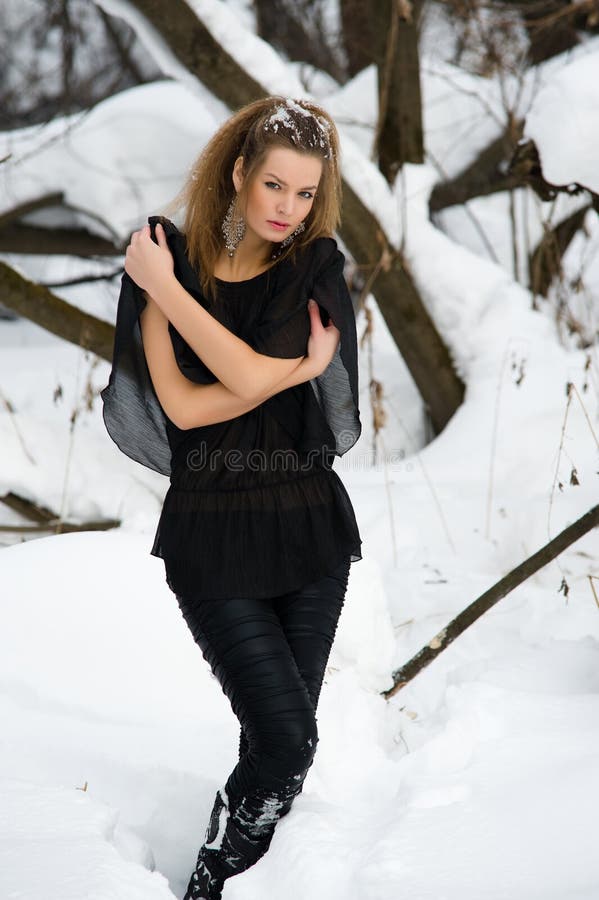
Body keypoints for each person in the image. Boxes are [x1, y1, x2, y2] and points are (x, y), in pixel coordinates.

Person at [100, 96, 363, 899]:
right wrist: (298, 369)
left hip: (309, 530)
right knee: (285, 742)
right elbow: (181, 408)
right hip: (211, 539)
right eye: (275, 185)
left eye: (306, 193)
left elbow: (241, 376)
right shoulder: (165, 251)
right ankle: (211, 879)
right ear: (241, 172)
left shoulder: (310, 268)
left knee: (281, 741)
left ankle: (243, 874)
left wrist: (167, 293)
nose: (289, 208)